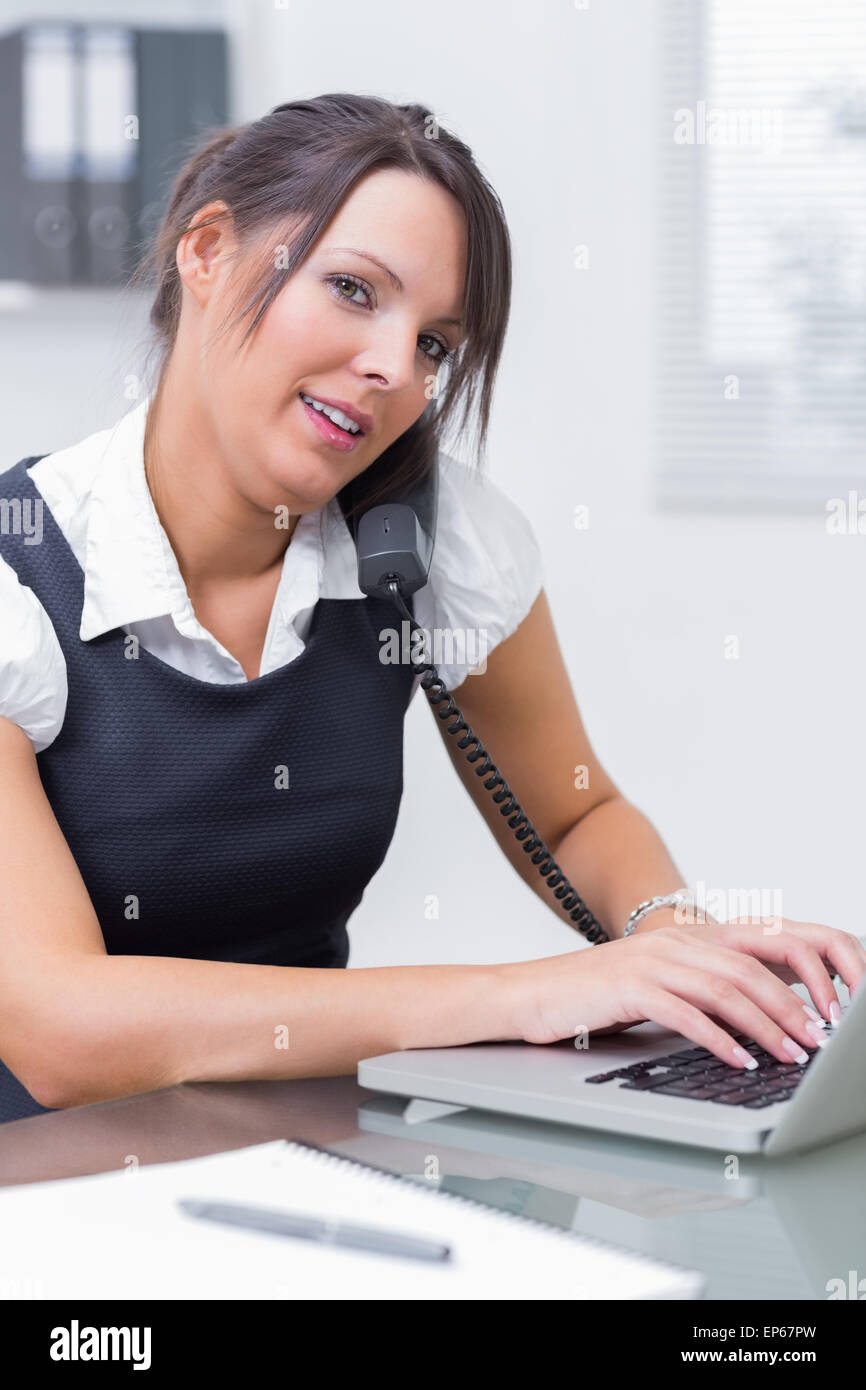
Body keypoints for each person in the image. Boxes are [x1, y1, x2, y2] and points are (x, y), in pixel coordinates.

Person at [0, 94, 861, 1124]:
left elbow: (573, 811)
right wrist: (519, 994)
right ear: (209, 250)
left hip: (313, 1154)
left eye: (435, 345)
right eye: (354, 289)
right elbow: (61, 1028)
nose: (392, 371)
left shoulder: (423, 541)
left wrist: (668, 937)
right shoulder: (22, 572)